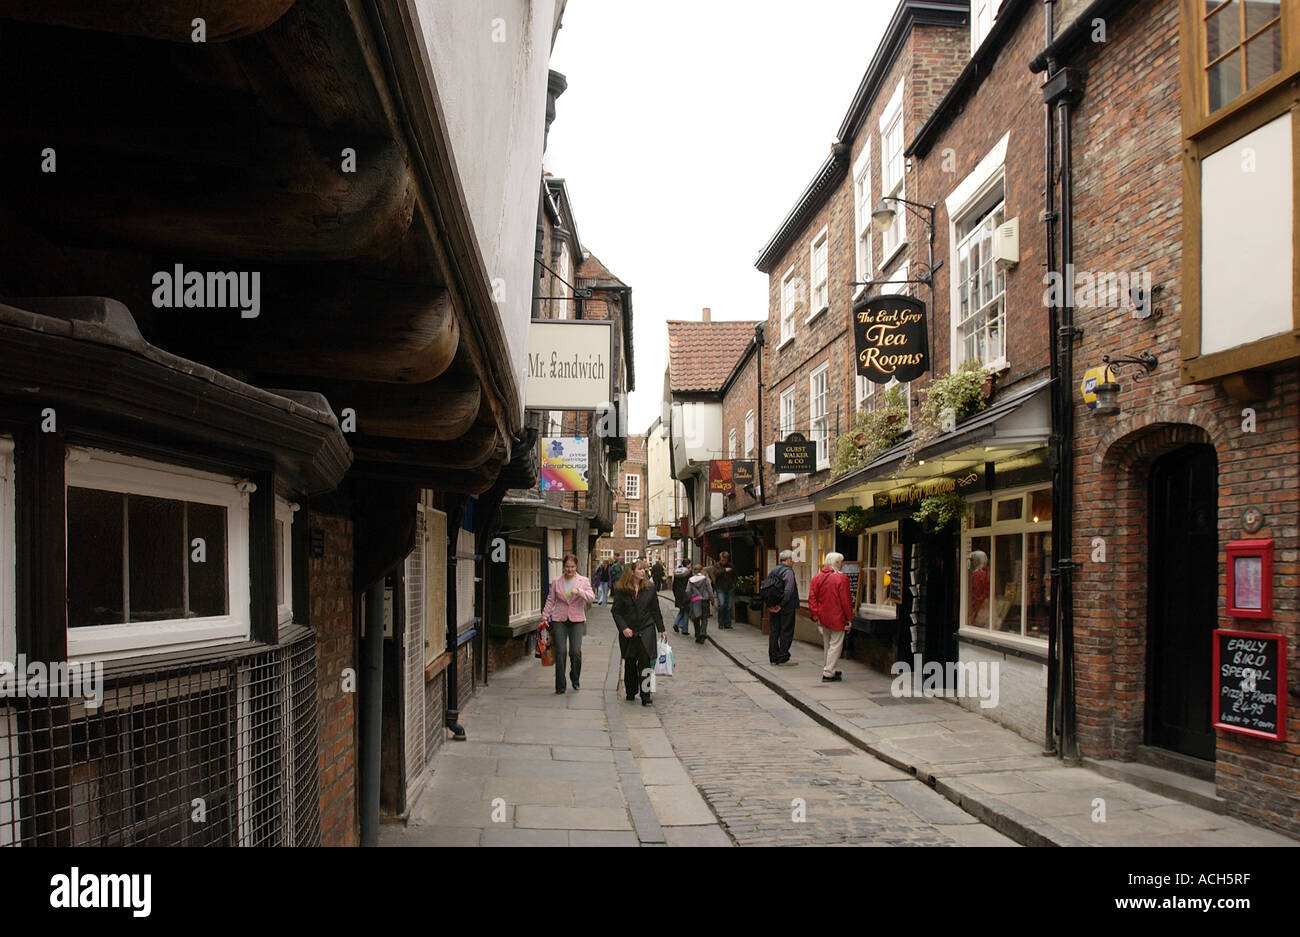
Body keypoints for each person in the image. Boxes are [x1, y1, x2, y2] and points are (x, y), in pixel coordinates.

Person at [611, 559, 666, 705]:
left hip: (646, 628)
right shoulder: (621, 589)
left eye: (644, 569)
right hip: (629, 630)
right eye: (640, 569)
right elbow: (616, 611)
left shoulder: (650, 588)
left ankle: (646, 694)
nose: (643, 572)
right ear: (632, 572)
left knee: (645, 661)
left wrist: (661, 629)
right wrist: (623, 628)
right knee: (629, 662)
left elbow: (655, 609)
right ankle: (631, 691)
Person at [541, 553, 595, 694]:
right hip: (559, 619)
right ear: (563, 566)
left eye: (572, 567)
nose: (569, 569)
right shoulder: (556, 582)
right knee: (561, 652)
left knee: (575, 652)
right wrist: (545, 617)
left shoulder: (583, 581)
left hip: (577, 620)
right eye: (567, 567)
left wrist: (579, 591)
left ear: (576, 566)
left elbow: (591, 598)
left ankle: (575, 677)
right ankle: (560, 686)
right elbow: (550, 600)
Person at [809, 551, 853, 682]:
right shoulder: (841, 578)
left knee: (827, 645)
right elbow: (846, 601)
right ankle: (828, 672)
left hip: (823, 617)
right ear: (837, 563)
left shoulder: (817, 578)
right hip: (837, 617)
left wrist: (816, 614)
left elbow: (812, 599)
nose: (842, 565)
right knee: (836, 645)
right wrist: (849, 618)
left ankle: (828, 667)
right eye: (841, 562)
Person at [766, 549, 800, 666]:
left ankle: (773, 656)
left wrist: (772, 605)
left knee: (774, 631)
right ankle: (783, 657)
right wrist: (781, 605)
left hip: (773, 605)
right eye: (792, 559)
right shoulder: (788, 571)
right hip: (786, 606)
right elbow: (788, 590)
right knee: (786, 631)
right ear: (788, 559)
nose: (793, 562)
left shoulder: (773, 570)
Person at [686, 563, 715, 644]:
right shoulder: (705, 579)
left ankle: (697, 634)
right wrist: (712, 599)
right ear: (701, 570)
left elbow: (687, 591)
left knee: (696, 618)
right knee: (704, 618)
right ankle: (703, 632)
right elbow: (710, 590)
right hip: (705, 600)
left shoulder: (691, 580)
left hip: (695, 600)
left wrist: (691, 597)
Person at [710, 551, 736, 630]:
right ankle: (721, 623)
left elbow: (735, 575)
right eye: (722, 560)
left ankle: (727, 623)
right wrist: (724, 570)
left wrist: (733, 583)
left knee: (728, 606)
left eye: (725, 560)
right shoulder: (717, 566)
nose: (724, 561)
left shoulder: (731, 565)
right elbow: (716, 573)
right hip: (720, 588)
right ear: (720, 559)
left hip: (729, 588)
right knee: (721, 605)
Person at [968, 550, 990, 626]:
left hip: (980, 606)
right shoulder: (988, 572)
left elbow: (976, 593)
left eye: (972, 560)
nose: (971, 563)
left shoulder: (977, 575)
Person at [671, 562, 691, 635]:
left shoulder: (677, 573)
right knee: (686, 611)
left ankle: (676, 623)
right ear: (688, 564)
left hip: (678, 594)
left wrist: (675, 595)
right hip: (686, 594)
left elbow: (674, 586)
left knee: (682, 610)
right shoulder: (688, 573)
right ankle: (684, 629)